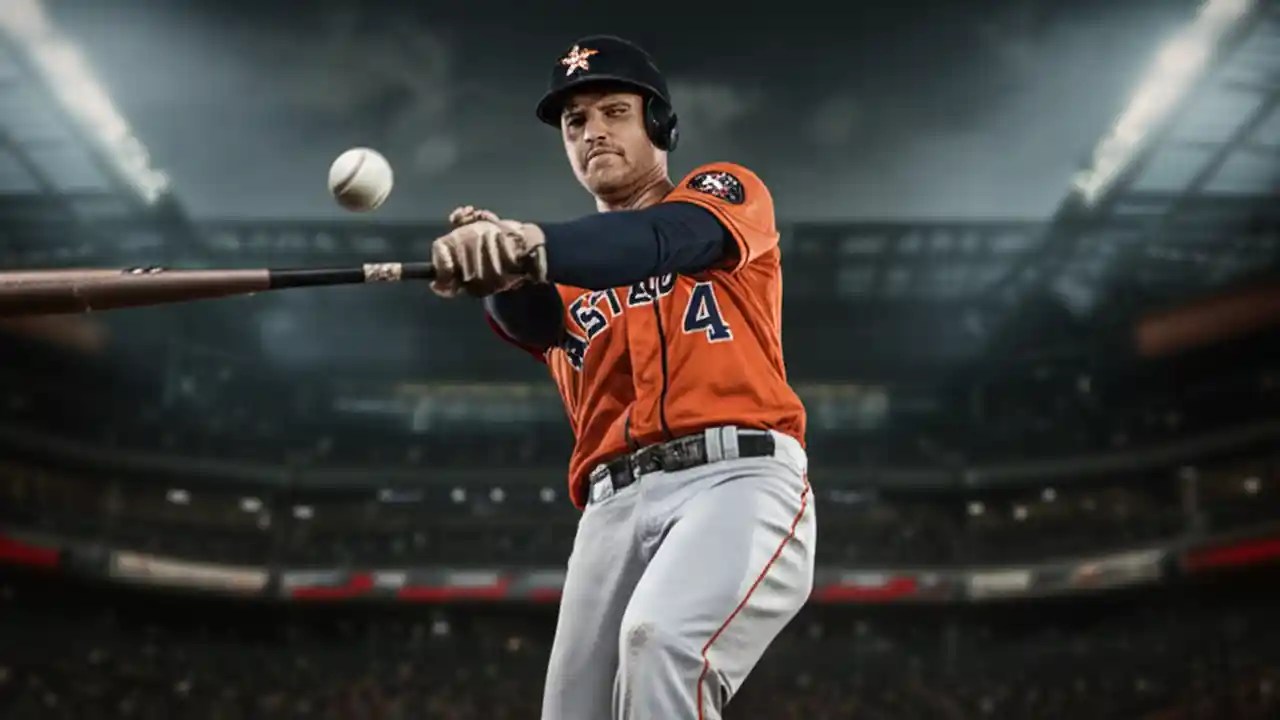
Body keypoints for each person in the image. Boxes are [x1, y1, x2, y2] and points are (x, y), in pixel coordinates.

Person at [428, 34, 815, 720]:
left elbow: (658, 241)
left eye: (613, 111)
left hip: (735, 480)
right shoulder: (564, 274)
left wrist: (532, 244)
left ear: (659, 125)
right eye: (575, 123)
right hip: (611, 505)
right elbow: (529, 321)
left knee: (660, 640)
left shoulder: (723, 195)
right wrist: (495, 266)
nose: (593, 132)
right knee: (571, 712)